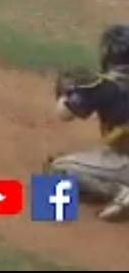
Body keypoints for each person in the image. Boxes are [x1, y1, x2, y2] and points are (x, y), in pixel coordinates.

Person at [47, 25, 129, 222]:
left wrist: (68, 92)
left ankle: (119, 192)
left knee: (56, 170)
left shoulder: (103, 86)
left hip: (124, 162)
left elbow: (64, 114)